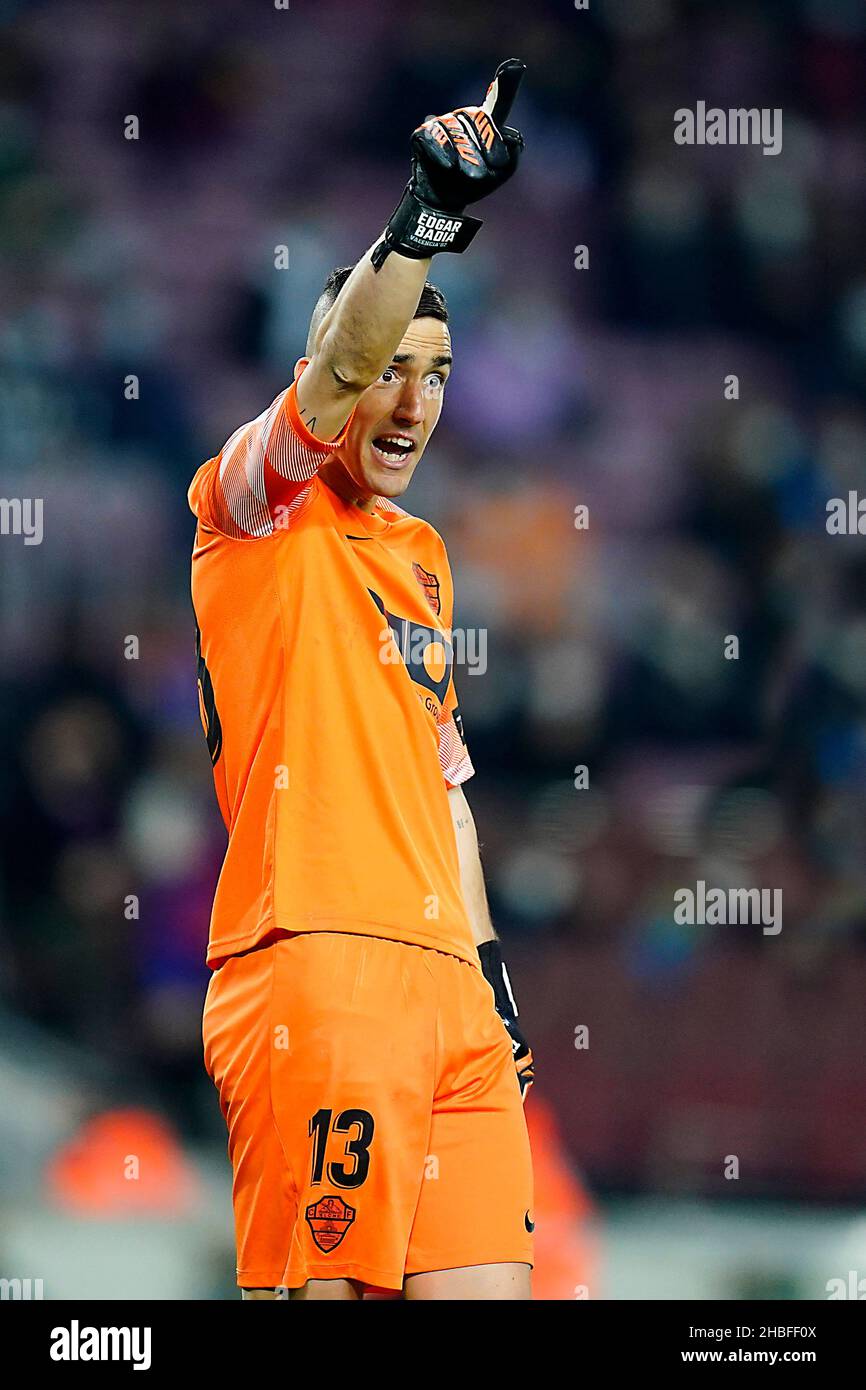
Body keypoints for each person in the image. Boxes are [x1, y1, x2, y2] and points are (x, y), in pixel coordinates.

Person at [189, 60, 535, 1301]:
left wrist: (489, 965)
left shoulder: (427, 561)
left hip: (449, 989)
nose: (410, 399)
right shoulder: (249, 508)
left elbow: (442, 784)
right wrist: (425, 218)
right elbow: (332, 378)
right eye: (394, 362)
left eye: (436, 373)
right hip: (315, 962)